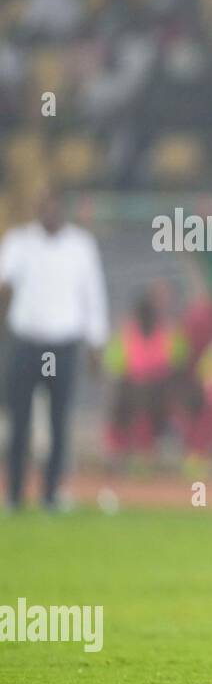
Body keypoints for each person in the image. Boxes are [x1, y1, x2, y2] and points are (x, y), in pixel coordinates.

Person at [0, 186, 108, 512]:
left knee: (59, 419)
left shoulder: (81, 246)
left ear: (64, 210)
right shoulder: (19, 242)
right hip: (27, 343)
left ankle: (51, 493)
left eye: (56, 207)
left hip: (61, 346)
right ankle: (15, 494)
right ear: (37, 209)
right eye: (45, 207)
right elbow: (3, 285)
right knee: (19, 420)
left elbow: (93, 295)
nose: (50, 213)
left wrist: (96, 343)